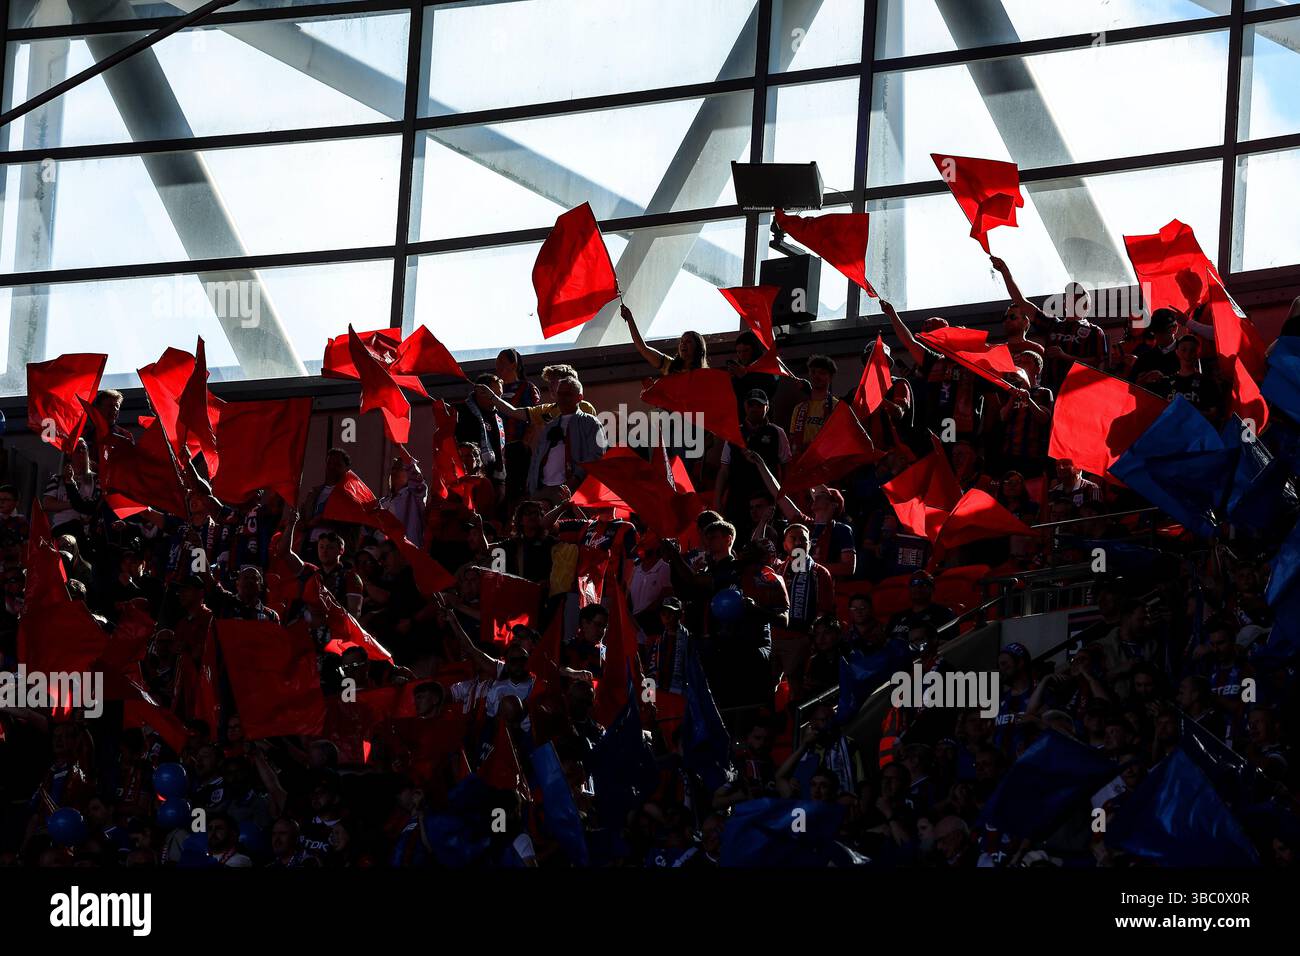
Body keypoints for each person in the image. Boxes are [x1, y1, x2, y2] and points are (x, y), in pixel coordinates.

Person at [621, 303, 707, 376]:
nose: (683, 344)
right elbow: (643, 348)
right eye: (681, 341)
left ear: (698, 347)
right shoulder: (669, 366)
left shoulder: (705, 376)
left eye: (688, 341)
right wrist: (629, 318)